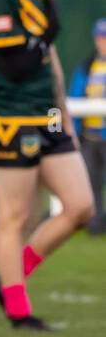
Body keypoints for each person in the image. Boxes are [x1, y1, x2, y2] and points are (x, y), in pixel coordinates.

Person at [0, 0, 94, 330]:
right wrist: (44, 35)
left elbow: (48, 58)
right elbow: (17, 64)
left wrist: (65, 112)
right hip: (11, 121)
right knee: (14, 217)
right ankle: (19, 311)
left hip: (49, 119)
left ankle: (8, 279)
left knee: (80, 207)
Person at [68, 19, 106, 235]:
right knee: (92, 182)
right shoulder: (86, 66)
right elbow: (75, 98)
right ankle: (96, 225)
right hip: (89, 136)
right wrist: (74, 131)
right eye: (101, 38)